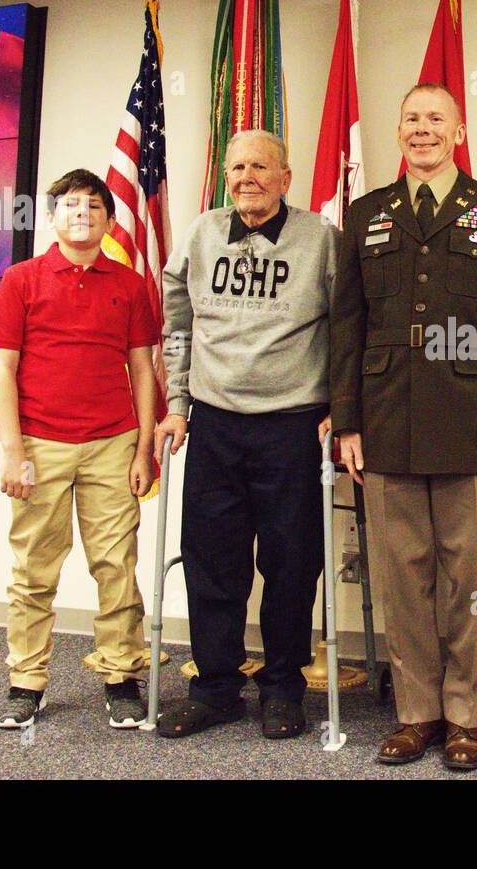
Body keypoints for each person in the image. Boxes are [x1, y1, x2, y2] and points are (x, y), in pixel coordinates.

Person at [330, 83, 477, 771]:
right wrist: (348, 421)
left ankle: (464, 716)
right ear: (398, 133)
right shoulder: (367, 214)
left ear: (459, 130)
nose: (423, 130)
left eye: (436, 119)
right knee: (403, 575)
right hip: (387, 415)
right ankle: (416, 713)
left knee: (468, 577)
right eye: (412, 119)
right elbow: (347, 325)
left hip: (475, 421)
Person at [154, 130, 337, 740]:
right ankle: (215, 688)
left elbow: (349, 329)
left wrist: (341, 407)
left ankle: (284, 688)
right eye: (236, 168)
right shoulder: (202, 234)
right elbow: (176, 324)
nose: (246, 177)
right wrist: (178, 402)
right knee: (212, 563)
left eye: (260, 166)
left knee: (291, 565)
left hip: (293, 428)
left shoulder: (321, 241)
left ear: (286, 178)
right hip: (214, 425)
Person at [0, 169, 158, 730]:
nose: (81, 213)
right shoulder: (21, 279)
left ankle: (121, 677)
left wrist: (142, 446)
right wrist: (13, 452)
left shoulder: (132, 285)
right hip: (39, 443)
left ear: (109, 221)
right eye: (70, 205)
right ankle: (26, 682)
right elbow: (2, 367)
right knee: (34, 569)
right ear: (53, 216)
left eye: (93, 206)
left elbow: (140, 368)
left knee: (116, 565)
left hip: (112, 443)